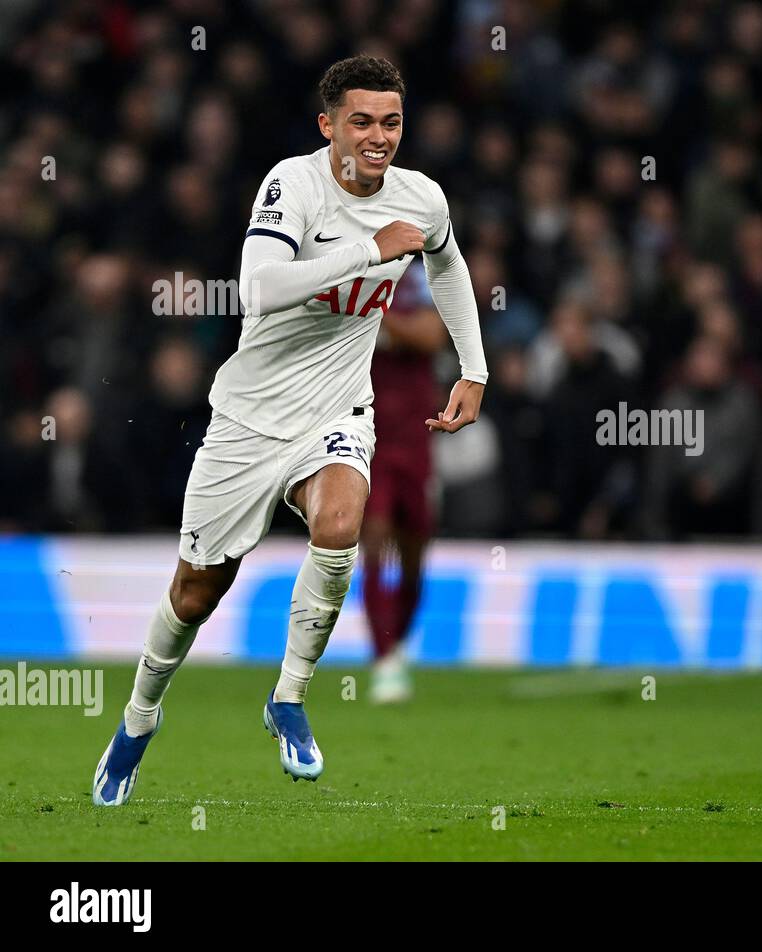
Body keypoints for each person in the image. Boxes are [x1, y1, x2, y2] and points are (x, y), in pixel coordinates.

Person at [92, 55, 488, 805]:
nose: (379, 137)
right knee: (197, 591)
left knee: (342, 523)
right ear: (329, 125)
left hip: (338, 409)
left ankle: (289, 698)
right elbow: (260, 288)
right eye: (362, 121)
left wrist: (474, 369)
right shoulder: (292, 183)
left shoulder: (421, 199)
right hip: (249, 418)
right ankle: (140, 716)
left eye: (392, 121)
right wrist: (366, 251)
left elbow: (449, 265)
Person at [362, 266, 447, 703]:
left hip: (417, 437)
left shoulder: (424, 275)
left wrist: (372, 312)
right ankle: (383, 658)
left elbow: (432, 336)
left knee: (414, 550)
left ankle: (396, 643)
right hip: (367, 432)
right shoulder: (349, 263)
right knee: (373, 540)